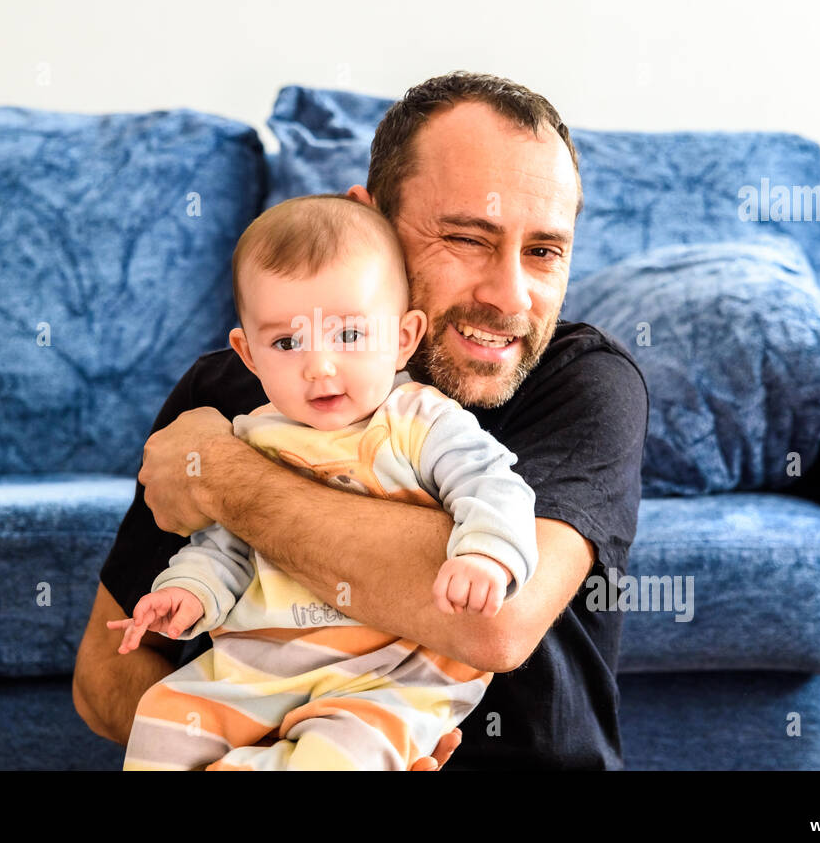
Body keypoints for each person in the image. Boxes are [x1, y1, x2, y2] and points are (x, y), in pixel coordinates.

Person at [74, 70, 650, 770]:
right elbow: (104, 676)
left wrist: (226, 477)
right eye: (468, 238)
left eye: (543, 251)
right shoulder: (235, 388)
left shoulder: (585, 381)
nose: (510, 296)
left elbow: (495, 623)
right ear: (371, 219)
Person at [111, 194, 538, 770]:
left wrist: (486, 555)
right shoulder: (254, 437)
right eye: (287, 343)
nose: (320, 366)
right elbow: (226, 547)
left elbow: (495, 485)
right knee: (163, 722)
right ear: (249, 354)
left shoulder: (420, 421)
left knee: (337, 755)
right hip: (258, 670)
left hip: (388, 675)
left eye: (350, 335)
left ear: (404, 337)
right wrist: (188, 592)